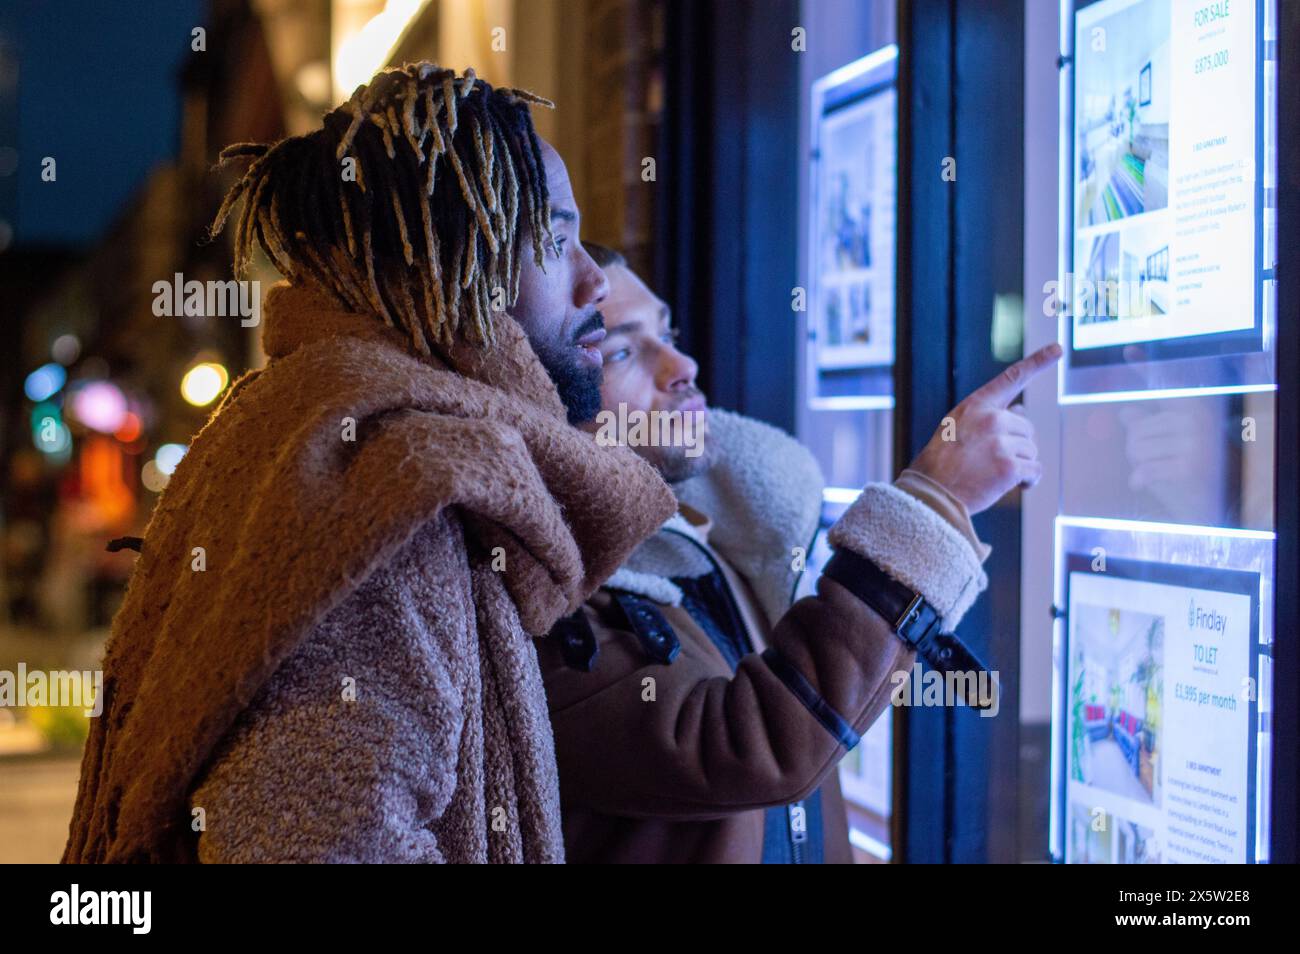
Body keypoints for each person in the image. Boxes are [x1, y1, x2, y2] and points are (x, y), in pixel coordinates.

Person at [61, 64, 676, 863]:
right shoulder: (388, 494)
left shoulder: (314, 422)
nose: (595, 279)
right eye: (555, 239)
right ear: (451, 268)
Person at [536, 243, 1059, 863]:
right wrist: (931, 503)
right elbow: (747, 743)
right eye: (622, 350)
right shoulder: (541, 593)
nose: (683, 363)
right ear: (542, 395)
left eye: (668, 331)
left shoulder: (711, 541)